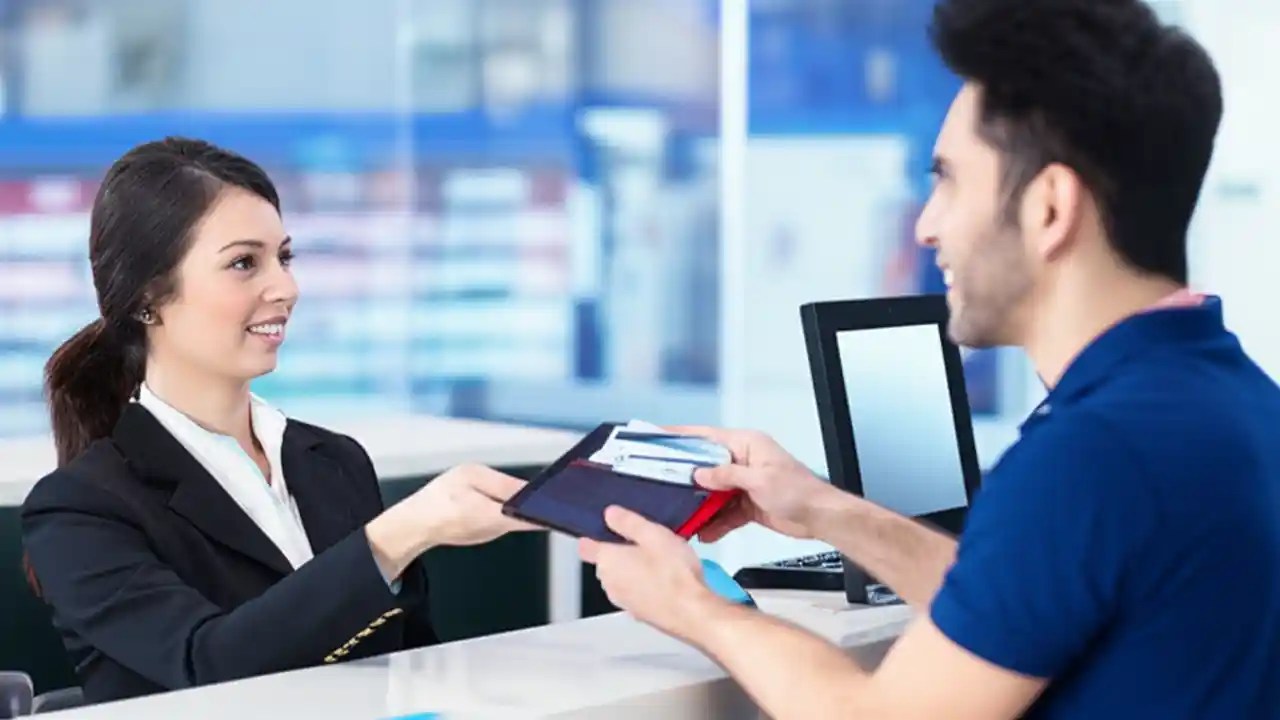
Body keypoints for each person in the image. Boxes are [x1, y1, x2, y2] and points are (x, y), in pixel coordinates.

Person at [578, 0, 1280, 718]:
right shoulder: (1239, 403)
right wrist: (823, 509)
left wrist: (693, 606)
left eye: (947, 180)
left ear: (1048, 208)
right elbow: (1022, 601)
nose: (925, 225)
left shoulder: (1092, 457)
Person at [20, 138, 534, 704]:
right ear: (148, 298)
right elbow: (208, 664)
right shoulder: (80, 508)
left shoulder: (334, 462)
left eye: (284, 257)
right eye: (244, 263)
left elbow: (410, 669)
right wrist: (398, 537)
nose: (285, 288)